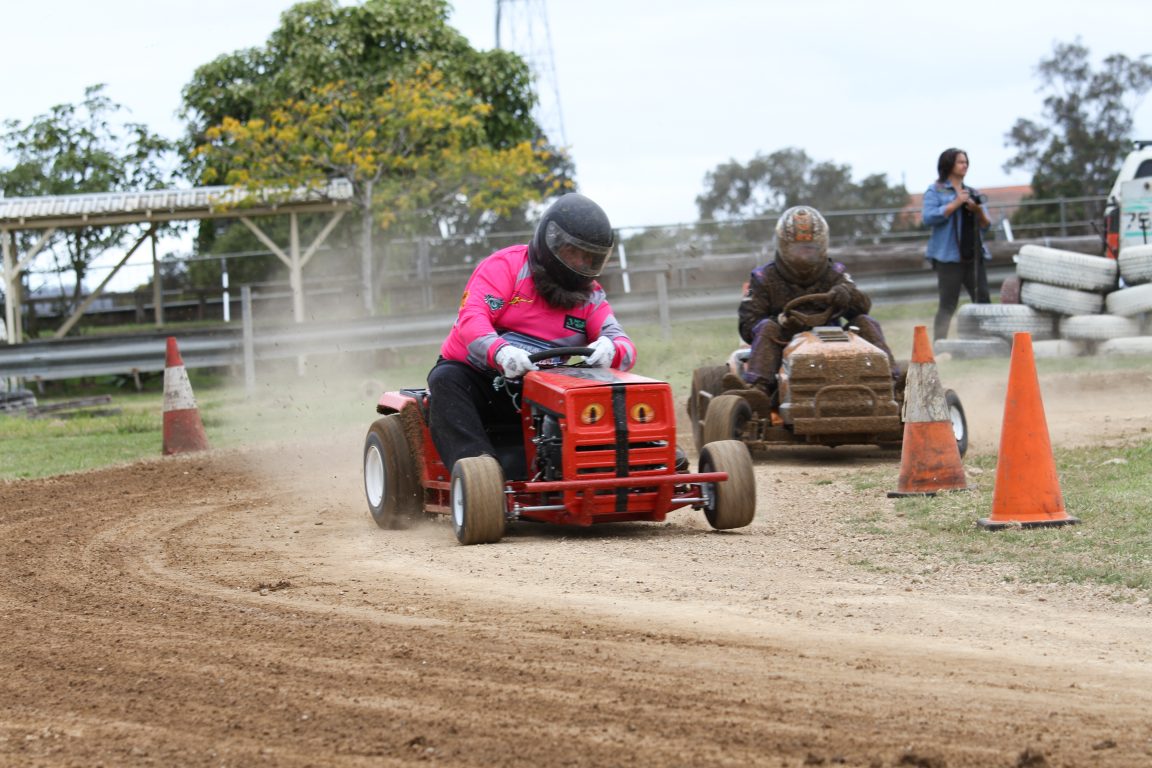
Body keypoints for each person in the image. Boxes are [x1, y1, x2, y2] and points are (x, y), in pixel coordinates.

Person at [427, 192, 637, 474]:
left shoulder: (591, 298)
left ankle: (617, 458)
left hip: (546, 389)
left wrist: (612, 349)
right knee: (445, 379)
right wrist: (500, 352)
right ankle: (478, 470)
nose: (579, 264)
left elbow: (623, 344)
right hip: (483, 380)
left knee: (604, 388)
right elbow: (471, 321)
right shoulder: (506, 268)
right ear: (550, 243)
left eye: (589, 258)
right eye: (572, 252)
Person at [729, 205, 900, 398]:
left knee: (865, 322)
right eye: (798, 250)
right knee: (767, 327)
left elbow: (863, 308)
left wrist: (847, 295)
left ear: (822, 247)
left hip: (834, 342)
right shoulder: (764, 278)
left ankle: (892, 383)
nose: (804, 256)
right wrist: (782, 322)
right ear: (784, 247)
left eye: (810, 249)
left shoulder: (835, 274)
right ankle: (759, 391)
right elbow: (747, 324)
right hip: (783, 342)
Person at [921, 147, 992, 341]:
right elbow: (928, 218)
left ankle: (986, 341)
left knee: (983, 300)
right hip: (948, 257)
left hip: (974, 255)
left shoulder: (973, 193)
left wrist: (977, 210)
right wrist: (955, 204)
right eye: (960, 162)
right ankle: (939, 343)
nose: (965, 165)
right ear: (949, 165)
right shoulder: (935, 191)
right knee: (948, 304)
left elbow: (987, 225)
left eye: (966, 162)